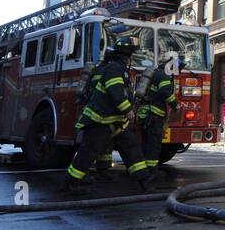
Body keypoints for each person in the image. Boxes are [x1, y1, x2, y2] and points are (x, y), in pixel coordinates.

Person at [68, 34, 150, 192]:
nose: (131, 58)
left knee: (131, 148)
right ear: (126, 55)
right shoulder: (114, 68)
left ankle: (144, 180)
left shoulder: (119, 68)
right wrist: (128, 110)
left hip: (115, 121)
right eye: (131, 55)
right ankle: (71, 182)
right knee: (88, 152)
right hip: (99, 120)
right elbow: (115, 91)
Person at [137, 51, 181, 180]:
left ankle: (143, 171)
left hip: (145, 115)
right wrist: (175, 105)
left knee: (145, 144)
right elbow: (165, 93)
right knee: (153, 145)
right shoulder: (163, 76)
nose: (175, 72)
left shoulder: (155, 74)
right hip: (153, 117)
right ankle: (151, 171)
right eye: (175, 68)